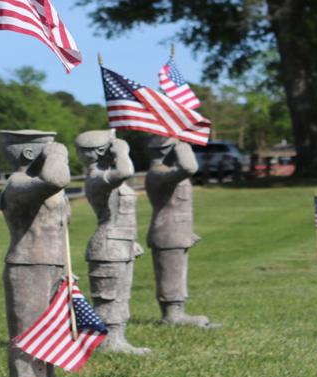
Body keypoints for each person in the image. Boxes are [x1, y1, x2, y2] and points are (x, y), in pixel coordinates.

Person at [0, 129, 71, 377]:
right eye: (48, 147)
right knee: (29, 327)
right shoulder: (19, 183)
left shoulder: (43, 188)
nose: (56, 150)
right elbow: (55, 178)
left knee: (51, 326)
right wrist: (58, 153)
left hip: (54, 263)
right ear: (30, 152)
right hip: (28, 264)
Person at [75, 130, 149, 355]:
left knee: (122, 296)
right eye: (110, 146)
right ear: (100, 152)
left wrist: (131, 241)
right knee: (109, 298)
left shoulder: (107, 177)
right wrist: (122, 149)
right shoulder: (97, 178)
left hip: (122, 244)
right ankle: (108, 342)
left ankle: (118, 339)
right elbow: (125, 170)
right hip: (108, 245)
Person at [145, 136, 218, 328]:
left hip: (177, 231)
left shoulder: (167, 173)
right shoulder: (157, 173)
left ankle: (179, 311)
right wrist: (183, 146)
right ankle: (171, 315)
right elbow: (189, 167)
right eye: (173, 147)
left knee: (178, 272)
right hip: (167, 232)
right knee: (170, 273)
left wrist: (187, 232)